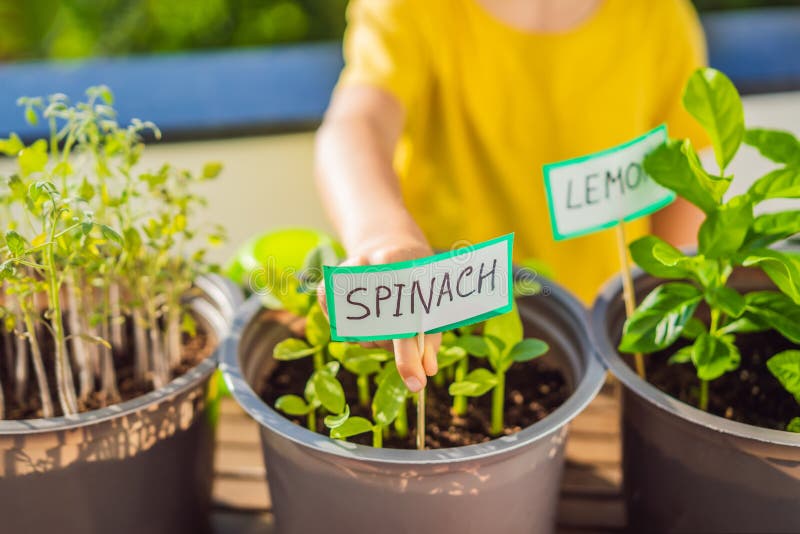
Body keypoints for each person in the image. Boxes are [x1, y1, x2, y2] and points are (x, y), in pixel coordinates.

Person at [315, 0, 709, 392]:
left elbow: (683, 181)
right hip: (449, 332)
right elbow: (357, 122)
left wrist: (663, 309)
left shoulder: (659, 14)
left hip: (609, 341)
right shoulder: (413, 8)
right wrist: (382, 236)